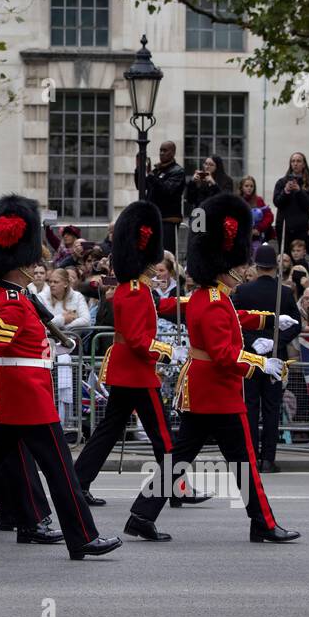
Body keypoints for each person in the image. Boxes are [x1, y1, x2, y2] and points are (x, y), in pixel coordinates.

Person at [0, 195, 122, 560]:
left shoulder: (13, 296)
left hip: (11, 399)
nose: (38, 267)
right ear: (20, 264)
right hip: (28, 400)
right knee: (61, 471)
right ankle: (82, 537)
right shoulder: (14, 302)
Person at [125, 193, 300, 544]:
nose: (241, 272)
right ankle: (263, 523)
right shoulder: (214, 301)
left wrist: (269, 320)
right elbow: (225, 354)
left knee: (179, 459)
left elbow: (235, 318)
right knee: (245, 462)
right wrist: (261, 363)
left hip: (201, 391)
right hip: (219, 393)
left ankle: (141, 515)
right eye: (236, 267)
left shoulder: (207, 297)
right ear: (224, 266)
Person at [74, 201, 214, 502]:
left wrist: (191, 302)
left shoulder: (134, 289)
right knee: (163, 435)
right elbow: (139, 339)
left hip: (126, 372)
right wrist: (169, 352)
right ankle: (176, 488)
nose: (156, 267)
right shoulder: (135, 291)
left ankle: (79, 482)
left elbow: (159, 308)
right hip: (137, 374)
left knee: (108, 432)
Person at [228, 243, 301, 473]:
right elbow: (296, 325)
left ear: (256, 265)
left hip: (250, 357)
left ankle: (250, 457)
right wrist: (276, 342)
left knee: (250, 407)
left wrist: (252, 343)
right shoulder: (286, 292)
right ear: (275, 266)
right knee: (271, 408)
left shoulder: (243, 291)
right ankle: (268, 458)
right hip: (275, 357)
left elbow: (235, 322)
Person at [274, 152, 309, 252]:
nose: (295, 164)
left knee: (298, 257)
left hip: (300, 228)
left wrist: (299, 191)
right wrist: (285, 191)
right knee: (284, 256)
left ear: (304, 164)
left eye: (298, 161)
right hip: (284, 227)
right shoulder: (281, 182)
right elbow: (277, 202)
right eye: (293, 161)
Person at [146, 140, 187, 226]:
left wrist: (152, 176)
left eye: (165, 150)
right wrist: (139, 170)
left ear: (173, 153)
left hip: (168, 219)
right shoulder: (157, 170)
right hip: (153, 217)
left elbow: (167, 190)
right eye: (160, 150)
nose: (161, 153)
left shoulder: (178, 171)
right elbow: (142, 186)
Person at [238, 175, 274, 244]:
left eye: (252, 186)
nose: (249, 188)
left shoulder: (258, 200)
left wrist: (258, 228)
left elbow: (269, 217)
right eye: (246, 186)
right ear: (241, 187)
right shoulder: (237, 201)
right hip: (242, 237)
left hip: (257, 237)